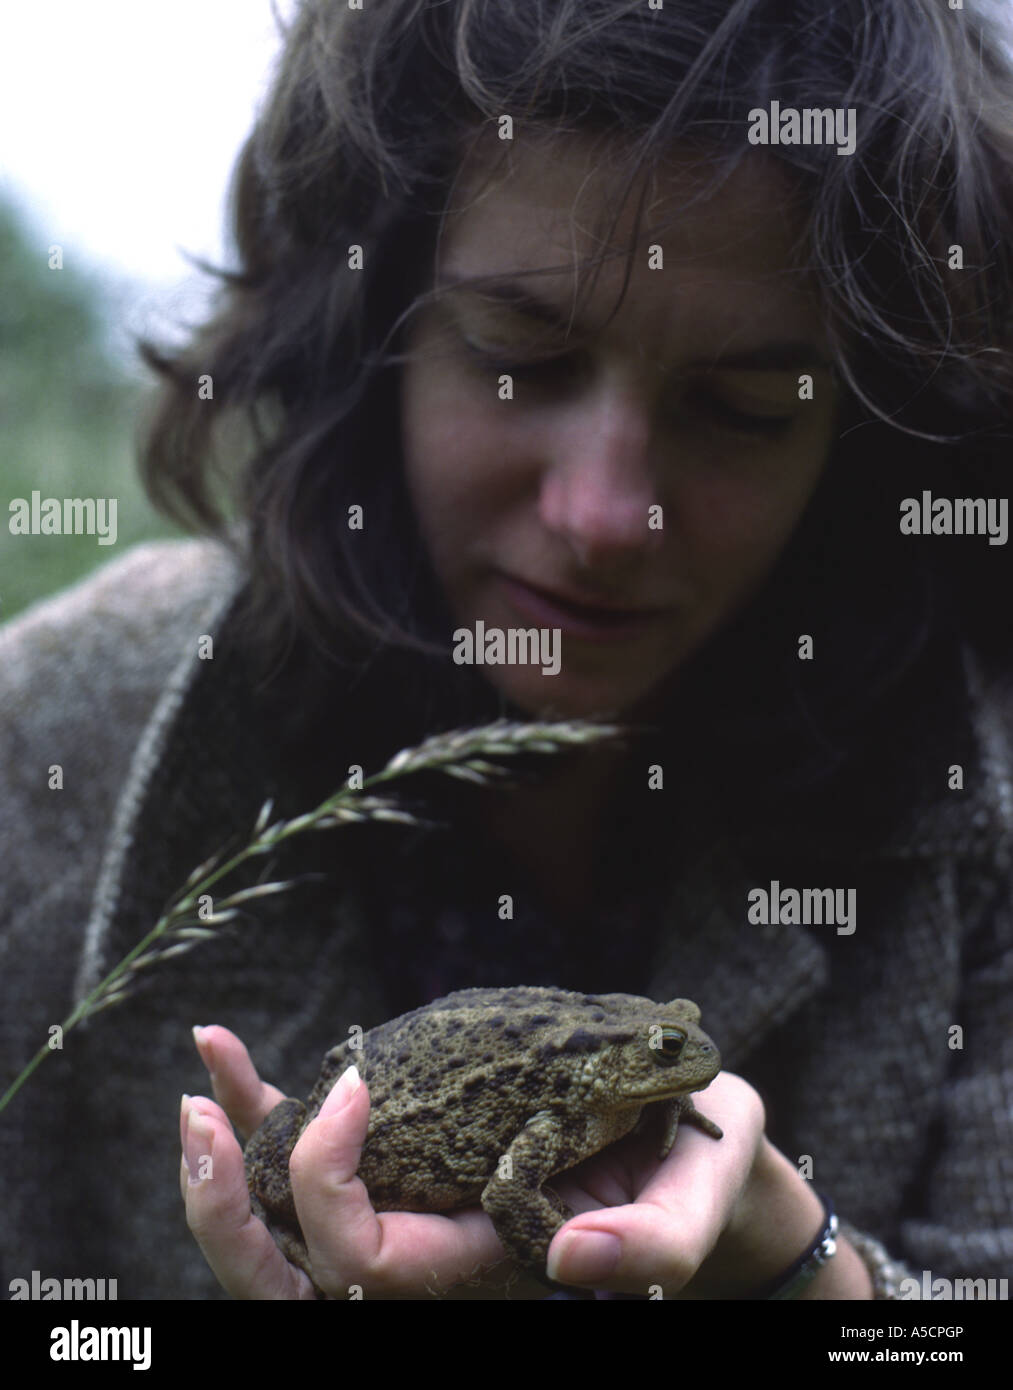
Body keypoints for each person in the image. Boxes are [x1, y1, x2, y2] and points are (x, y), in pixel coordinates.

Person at [2, 0, 1011, 1302]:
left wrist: (807, 1284)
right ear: (372, 336)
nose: (601, 515)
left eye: (739, 407)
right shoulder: (40, 747)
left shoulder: (971, 792)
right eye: (517, 359)